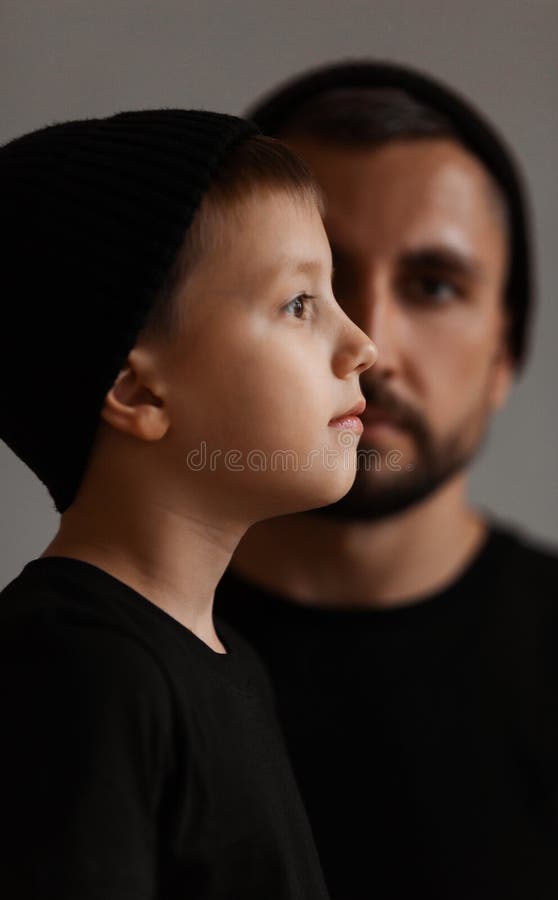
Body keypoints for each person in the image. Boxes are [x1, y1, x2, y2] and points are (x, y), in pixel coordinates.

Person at [215, 61, 558, 899]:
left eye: (433, 285)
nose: (371, 343)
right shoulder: (77, 673)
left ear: (506, 353)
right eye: (308, 285)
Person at [0, 108, 376, 899]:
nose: (362, 344)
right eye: (299, 304)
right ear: (135, 389)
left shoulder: (223, 664)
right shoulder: (78, 674)